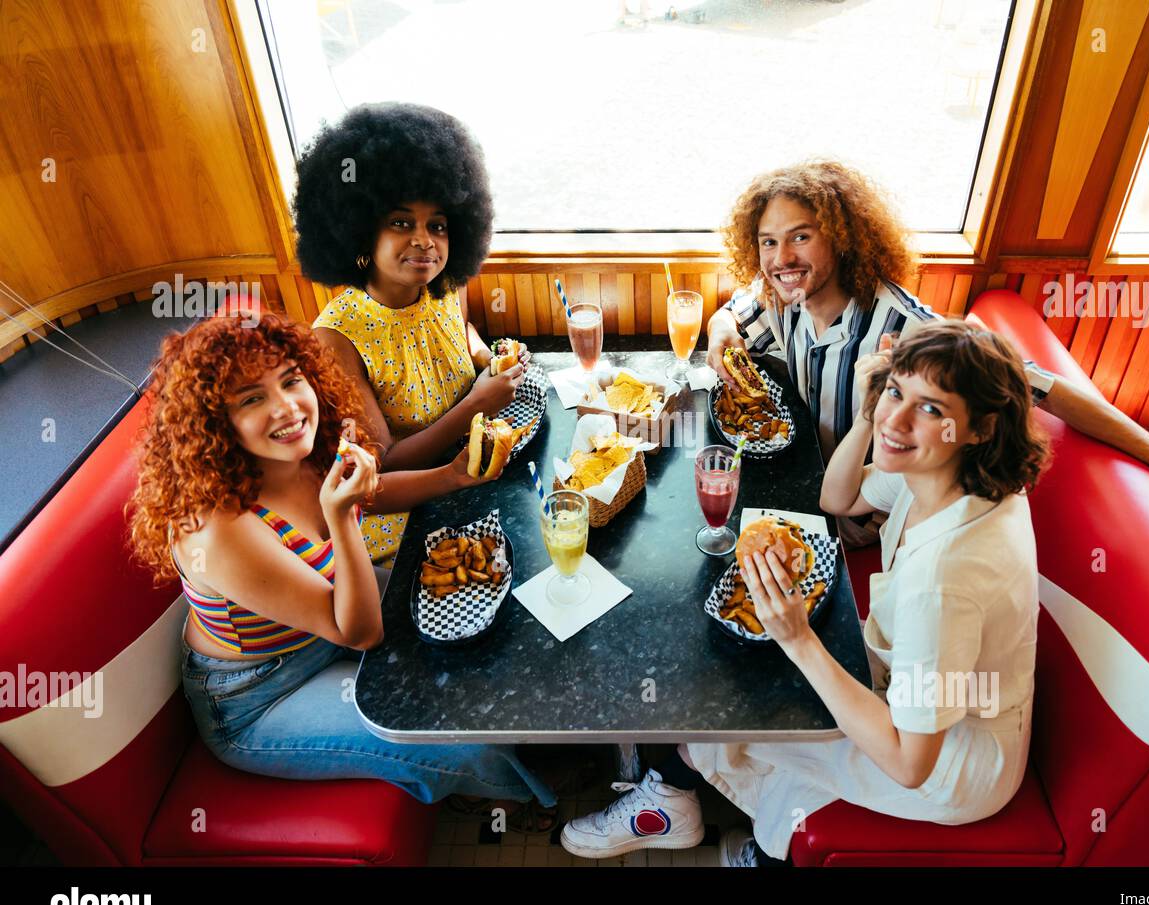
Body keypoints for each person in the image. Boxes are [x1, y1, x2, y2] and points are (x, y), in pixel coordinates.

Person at [561, 322, 1049, 864]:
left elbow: (911, 763)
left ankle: (704, 821)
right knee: (751, 674)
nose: (899, 418)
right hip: (912, 685)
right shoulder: (951, 474)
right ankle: (689, 804)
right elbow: (836, 497)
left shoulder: (948, 580)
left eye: (930, 409)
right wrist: (873, 415)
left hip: (950, 763)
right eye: (896, 390)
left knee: (734, 707)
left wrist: (797, 639)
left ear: (980, 428)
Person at [126, 311, 556, 828]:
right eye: (251, 398)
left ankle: (535, 742)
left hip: (331, 623)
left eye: (290, 380)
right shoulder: (219, 531)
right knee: (451, 738)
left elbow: (367, 491)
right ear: (214, 421)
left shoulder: (302, 448)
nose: (286, 408)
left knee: (482, 634)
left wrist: (452, 475)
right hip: (262, 695)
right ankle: (526, 792)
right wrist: (338, 516)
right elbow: (360, 632)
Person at [705, 160, 1149, 547]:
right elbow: (732, 314)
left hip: (857, 510)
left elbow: (1046, 389)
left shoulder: (907, 330)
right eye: (768, 242)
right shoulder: (779, 292)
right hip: (799, 474)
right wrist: (720, 329)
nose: (781, 258)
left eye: (800, 237)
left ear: (842, 239)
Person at [293, 102, 527, 565]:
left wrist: (487, 356)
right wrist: (478, 404)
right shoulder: (335, 338)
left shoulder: (444, 286)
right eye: (402, 223)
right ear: (360, 233)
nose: (424, 240)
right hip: (408, 531)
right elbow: (382, 468)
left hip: (479, 474)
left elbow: (461, 332)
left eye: (436, 226)